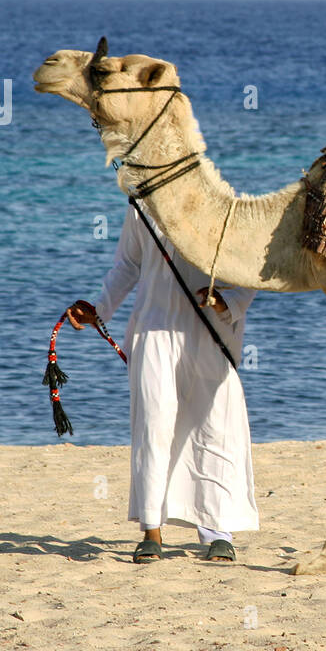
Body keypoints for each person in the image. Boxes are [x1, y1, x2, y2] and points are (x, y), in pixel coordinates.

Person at [66, 205, 259, 564]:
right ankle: (151, 531)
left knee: (214, 425)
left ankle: (217, 530)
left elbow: (249, 267)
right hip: (151, 331)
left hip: (207, 330)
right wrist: (99, 308)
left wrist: (228, 302)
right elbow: (127, 264)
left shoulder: (218, 201)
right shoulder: (141, 204)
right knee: (153, 425)